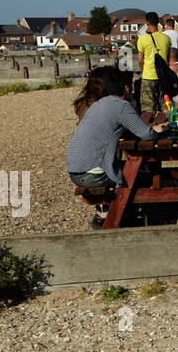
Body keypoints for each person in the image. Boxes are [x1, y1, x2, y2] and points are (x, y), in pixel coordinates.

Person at [67, 67, 166, 228]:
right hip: (92, 174)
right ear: (126, 89)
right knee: (144, 175)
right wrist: (161, 129)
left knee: (135, 171)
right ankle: (116, 216)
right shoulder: (120, 106)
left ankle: (113, 213)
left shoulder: (99, 104)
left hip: (75, 170)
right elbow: (146, 134)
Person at [135, 12, 170, 113]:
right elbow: (167, 60)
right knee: (164, 104)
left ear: (147, 23)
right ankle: (167, 125)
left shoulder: (142, 39)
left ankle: (150, 127)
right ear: (158, 22)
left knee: (148, 108)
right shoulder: (166, 38)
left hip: (148, 76)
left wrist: (143, 70)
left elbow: (140, 60)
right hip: (163, 77)